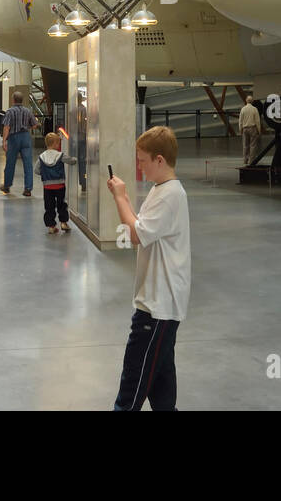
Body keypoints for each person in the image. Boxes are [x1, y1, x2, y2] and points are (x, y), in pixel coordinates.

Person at [106, 126, 190, 411]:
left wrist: (119, 198)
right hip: (160, 306)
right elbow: (140, 224)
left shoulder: (169, 195)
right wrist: (125, 198)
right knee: (162, 390)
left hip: (156, 310)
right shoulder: (162, 190)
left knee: (131, 391)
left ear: (159, 160)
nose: (139, 165)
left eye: (142, 160)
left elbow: (135, 235)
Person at [0, 91, 37, 195]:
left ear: (13, 100)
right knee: (28, 164)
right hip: (25, 137)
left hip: (14, 138)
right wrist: (27, 127)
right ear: (22, 100)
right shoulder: (28, 111)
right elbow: (35, 125)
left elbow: (6, 127)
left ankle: (7, 186)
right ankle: (28, 189)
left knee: (10, 163)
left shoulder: (10, 111)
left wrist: (4, 141)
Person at [37, 132, 69, 234]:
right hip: (60, 185)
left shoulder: (42, 157)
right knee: (61, 204)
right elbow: (71, 161)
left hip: (47, 186)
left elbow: (36, 170)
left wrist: (45, 172)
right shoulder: (60, 155)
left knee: (49, 206)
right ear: (56, 144)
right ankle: (63, 222)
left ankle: (51, 226)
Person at [238, 95, 263, 166]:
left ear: (246, 100)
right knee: (253, 145)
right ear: (252, 101)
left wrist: (240, 130)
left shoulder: (243, 109)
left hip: (245, 129)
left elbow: (240, 121)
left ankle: (245, 160)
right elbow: (257, 121)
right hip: (253, 128)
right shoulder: (255, 109)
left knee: (245, 145)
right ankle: (251, 161)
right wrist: (259, 130)